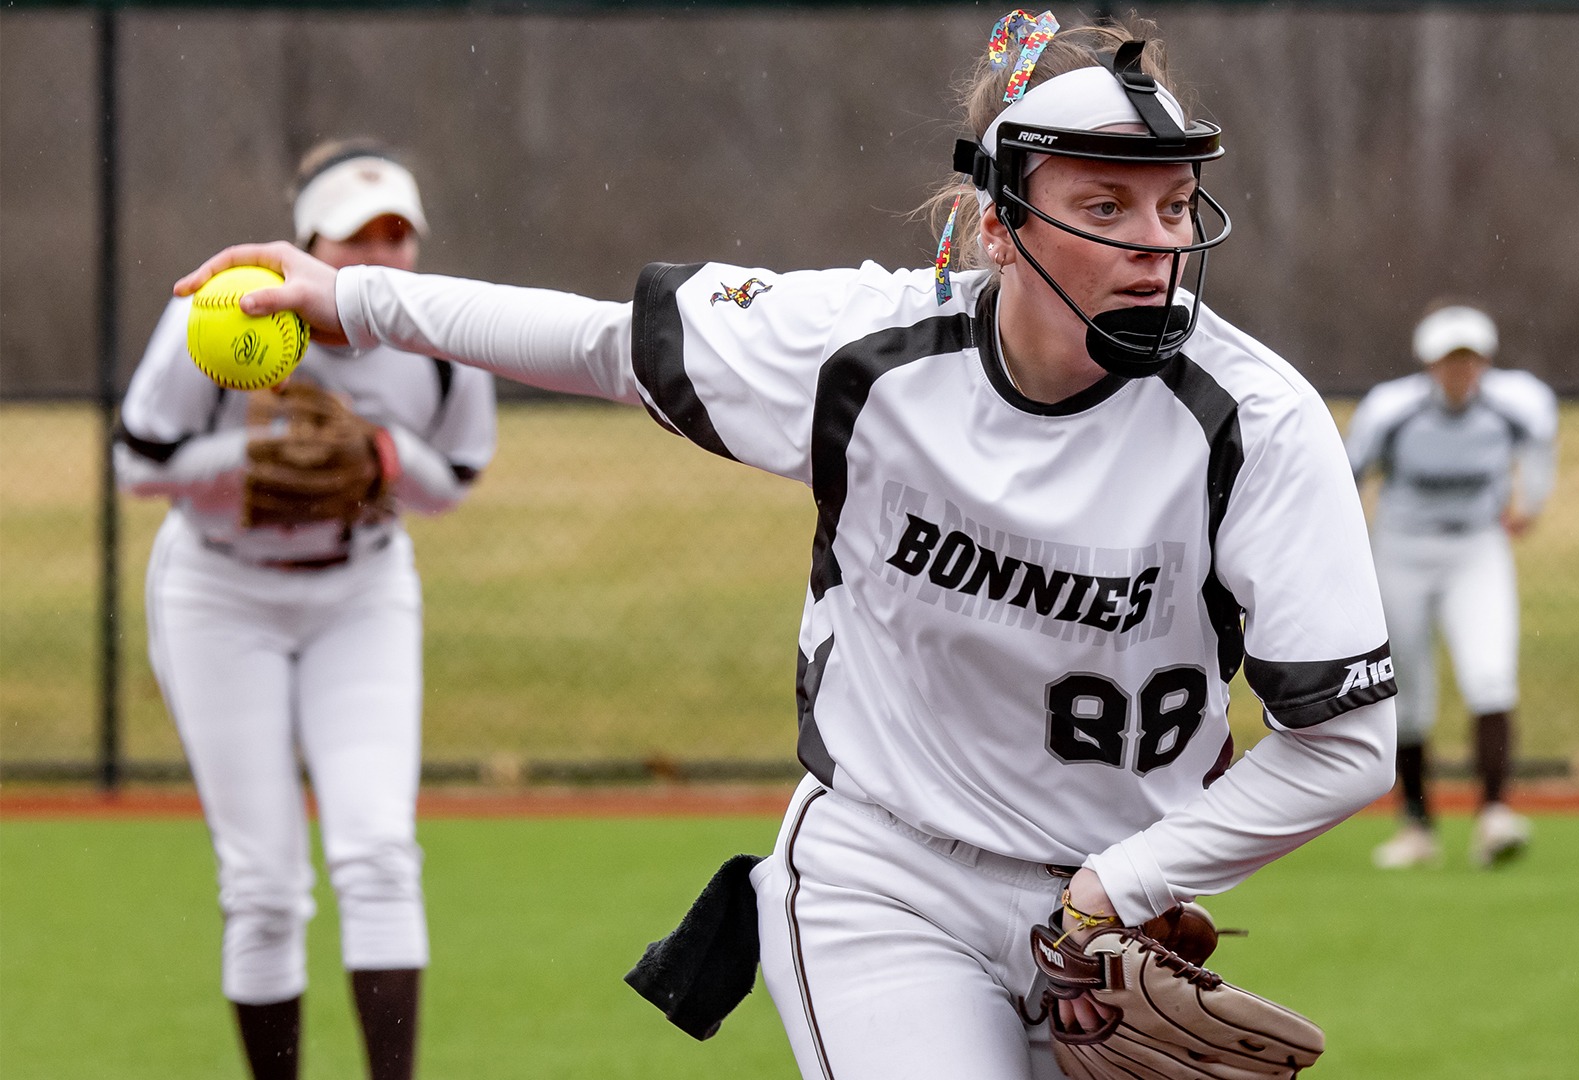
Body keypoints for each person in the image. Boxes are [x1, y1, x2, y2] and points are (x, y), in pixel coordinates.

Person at [174, 15, 1396, 1079]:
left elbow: (1345, 746)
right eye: (1104, 205)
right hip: (885, 878)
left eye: (1175, 205)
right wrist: (348, 300)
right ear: (998, 231)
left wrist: (1113, 890)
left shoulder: (1258, 420)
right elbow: (605, 346)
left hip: (1111, 916)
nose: (1155, 241)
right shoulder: (865, 354)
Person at [119, 139, 497, 1080]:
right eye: (357, 236)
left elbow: (457, 478)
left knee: (377, 854)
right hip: (220, 592)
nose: (381, 255)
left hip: (361, 589)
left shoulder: (438, 330)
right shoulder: (226, 309)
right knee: (264, 886)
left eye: (397, 235)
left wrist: (383, 456)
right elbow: (139, 464)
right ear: (309, 243)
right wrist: (255, 454)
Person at [1344, 301, 1558, 870]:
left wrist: (1531, 503)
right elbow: (1346, 474)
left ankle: (1494, 814)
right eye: (1449, 360)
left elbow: (1540, 447)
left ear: (1485, 361)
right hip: (1403, 550)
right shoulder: (1393, 409)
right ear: (1429, 363)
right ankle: (1416, 825)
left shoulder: (1516, 404)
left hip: (1476, 547)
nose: (1460, 372)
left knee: (1490, 674)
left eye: (1470, 359)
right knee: (1408, 693)